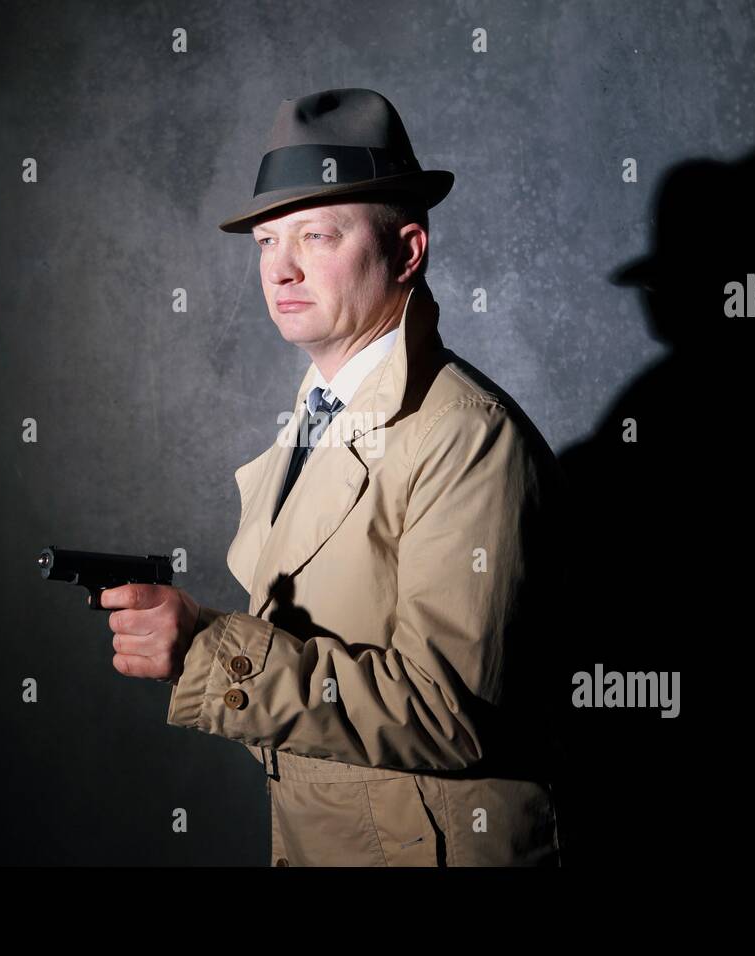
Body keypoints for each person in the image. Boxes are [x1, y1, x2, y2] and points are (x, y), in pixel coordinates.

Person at [99, 88, 566, 866]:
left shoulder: (464, 434)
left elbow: (447, 713)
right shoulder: (319, 413)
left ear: (407, 250)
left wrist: (208, 650)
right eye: (264, 242)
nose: (279, 268)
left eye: (316, 235)